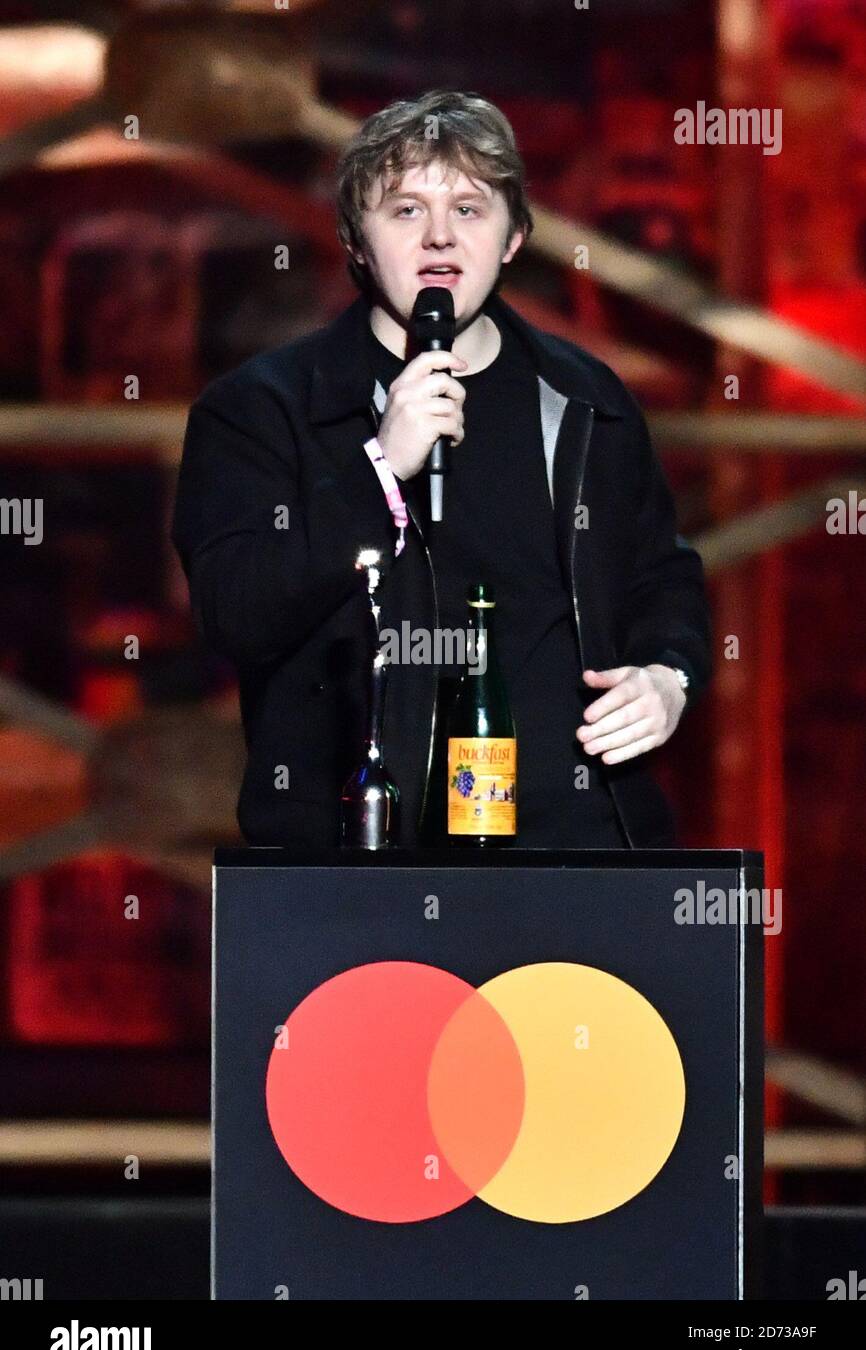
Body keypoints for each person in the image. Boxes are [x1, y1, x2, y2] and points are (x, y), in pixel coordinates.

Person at [171, 90, 712, 852]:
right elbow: (237, 614)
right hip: (353, 865)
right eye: (403, 211)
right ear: (356, 241)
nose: (438, 238)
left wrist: (669, 676)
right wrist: (380, 470)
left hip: (571, 852)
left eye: (468, 209)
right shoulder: (260, 412)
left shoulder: (585, 401)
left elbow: (663, 575)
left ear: (514, 236)